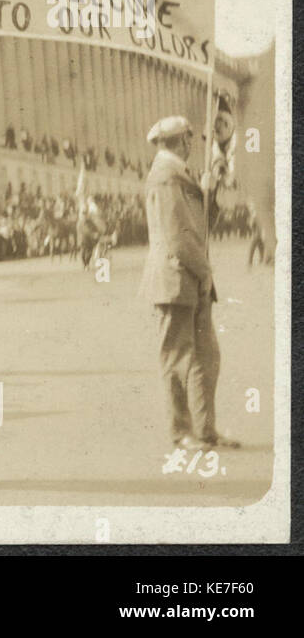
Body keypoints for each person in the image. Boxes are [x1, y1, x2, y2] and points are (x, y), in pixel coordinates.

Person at [139, 116, 239, 450]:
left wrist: (211, 191)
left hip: (188, 277)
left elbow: (201, 225)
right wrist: (204, 270)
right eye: (190, 137)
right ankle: (181, 432)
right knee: (179, 358)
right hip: (178, 276)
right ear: (181, 140)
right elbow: (179, 237)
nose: (193, 143)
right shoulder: (167, 176)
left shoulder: (176, 174)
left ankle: (205, 430)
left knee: (205, 357)